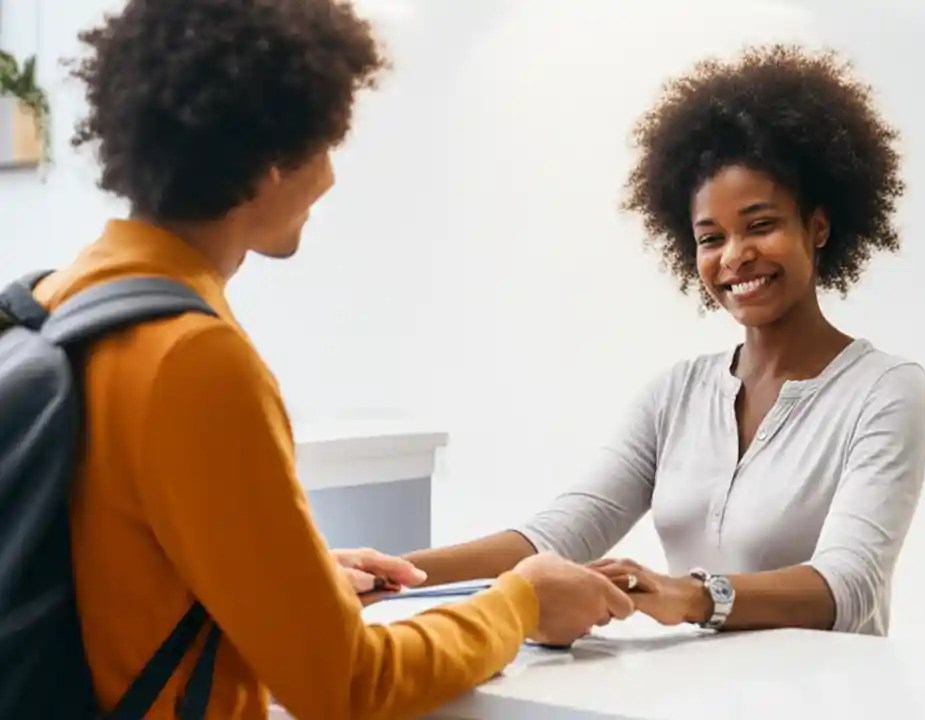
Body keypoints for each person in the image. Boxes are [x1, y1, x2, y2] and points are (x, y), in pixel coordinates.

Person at [36, 2, 632, 718]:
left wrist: (297, 579)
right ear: (267, 165)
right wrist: (520, 603)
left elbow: (111, 569)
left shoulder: (54, 303)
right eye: (323, 145)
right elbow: (348, 683)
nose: (330, 179)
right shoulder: (195, 357)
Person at [406, 45, 925, 637]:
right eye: (711, 238)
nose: (735, 256)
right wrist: (391, 575)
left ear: (817, 226)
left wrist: (691, 595)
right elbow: (557, 534)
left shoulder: (885, 390)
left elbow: (848, 584)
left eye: (761, 225)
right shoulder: (676, 395)